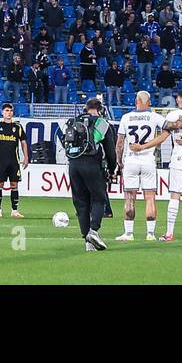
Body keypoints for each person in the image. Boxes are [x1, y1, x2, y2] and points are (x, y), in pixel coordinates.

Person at [140, 89, 182, 243]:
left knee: (175, 196)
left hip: (178, 160)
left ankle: (169, 234)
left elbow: (165, 135)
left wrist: (146, 146)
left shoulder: (172, 115)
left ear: (178, 99)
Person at [64, 97, 118, 251]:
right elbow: (110, 152)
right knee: (99, 198)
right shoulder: (102, 124)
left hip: (73, 165)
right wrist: (112, 169)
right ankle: (93, 231)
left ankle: (87, 241)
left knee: (81, 202)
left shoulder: (73, 122)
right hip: (92, 164)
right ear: (100, 110)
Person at [114, 91, 166, 242]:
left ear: (136, 101)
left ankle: (128, 233)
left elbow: (119, 143)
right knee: (150, 197)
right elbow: (168, 128)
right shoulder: (154, 116)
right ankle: (150, 234)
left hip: (131, 160)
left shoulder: (126, 117)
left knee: (130, 196)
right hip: (148, 159)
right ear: (148, 102)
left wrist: (119, 161)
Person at [0, 102, 28, 218]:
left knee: (14, 184)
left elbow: (23, 142)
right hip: (1, 161)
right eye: (7, 110)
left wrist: (26, 157)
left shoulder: (17, 127)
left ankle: (14, 211)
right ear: (2, 112)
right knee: (0, 184)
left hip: (14, 161)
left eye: (11, 111)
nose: (9, 113)